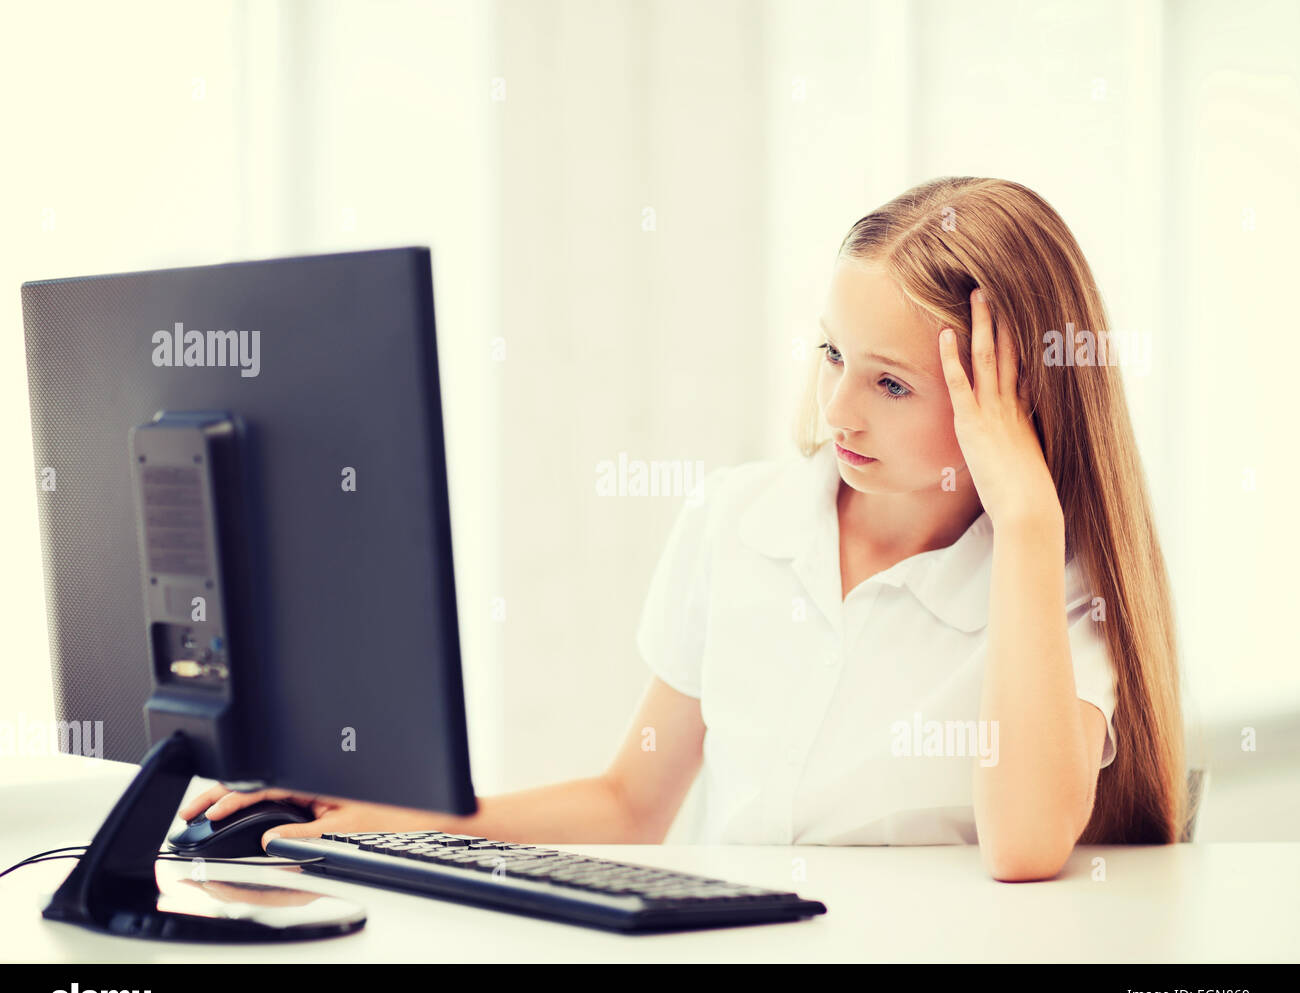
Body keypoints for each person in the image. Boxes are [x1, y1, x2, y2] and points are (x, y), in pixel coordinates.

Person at [180, 176, 1186, 881]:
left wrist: (1024, 517)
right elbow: (631, 804)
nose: (839, 410)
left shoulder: (1053, 575)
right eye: (832, 355)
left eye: (891, 384)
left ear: (1014, 398)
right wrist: (391, 818)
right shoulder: (736, 522)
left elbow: (1023, 848)